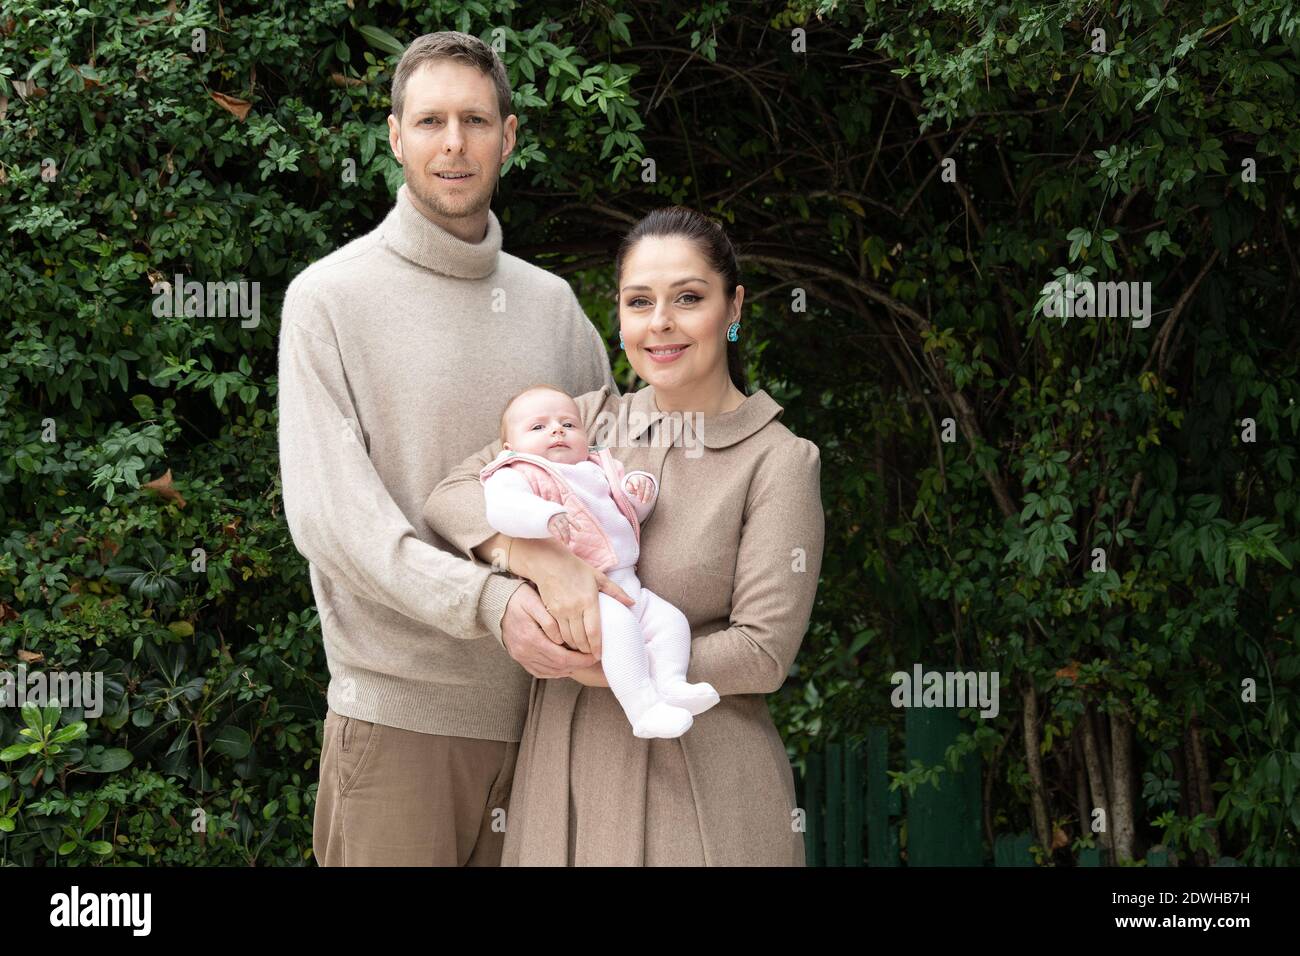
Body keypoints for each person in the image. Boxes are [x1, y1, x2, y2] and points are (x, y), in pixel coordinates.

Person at [277, 30, 628, 866]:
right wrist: (494, 602)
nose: (454, 143)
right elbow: (335, 524)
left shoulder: (555, 310)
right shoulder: (329, 300)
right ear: (395, 136)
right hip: (403, 725)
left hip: (558, 731)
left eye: (475, 120)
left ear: (509, 135)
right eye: (430, 121)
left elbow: (616, 496)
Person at [424, 206, 825, 865]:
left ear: (734, 307)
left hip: (703, 788)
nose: (660, 323)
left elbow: (763, 651)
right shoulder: (579, 420)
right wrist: (531, 557)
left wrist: (605, 668)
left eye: (688, 298)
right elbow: (454, 495)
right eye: (639, 302)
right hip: (564, 780)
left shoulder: (779, 460)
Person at [480, 384, 720, 738]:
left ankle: (671, 682)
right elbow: (502, 510)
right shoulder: (517, 472)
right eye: (538, 427)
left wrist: (640, 490)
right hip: (579, 593)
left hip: (626, 581)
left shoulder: (597, 468)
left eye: (568, 424)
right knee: (620, 631)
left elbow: (624, 511)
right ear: (509, 447)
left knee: (671, 623)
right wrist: (544, 516)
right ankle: (644, 708)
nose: (557, 430)